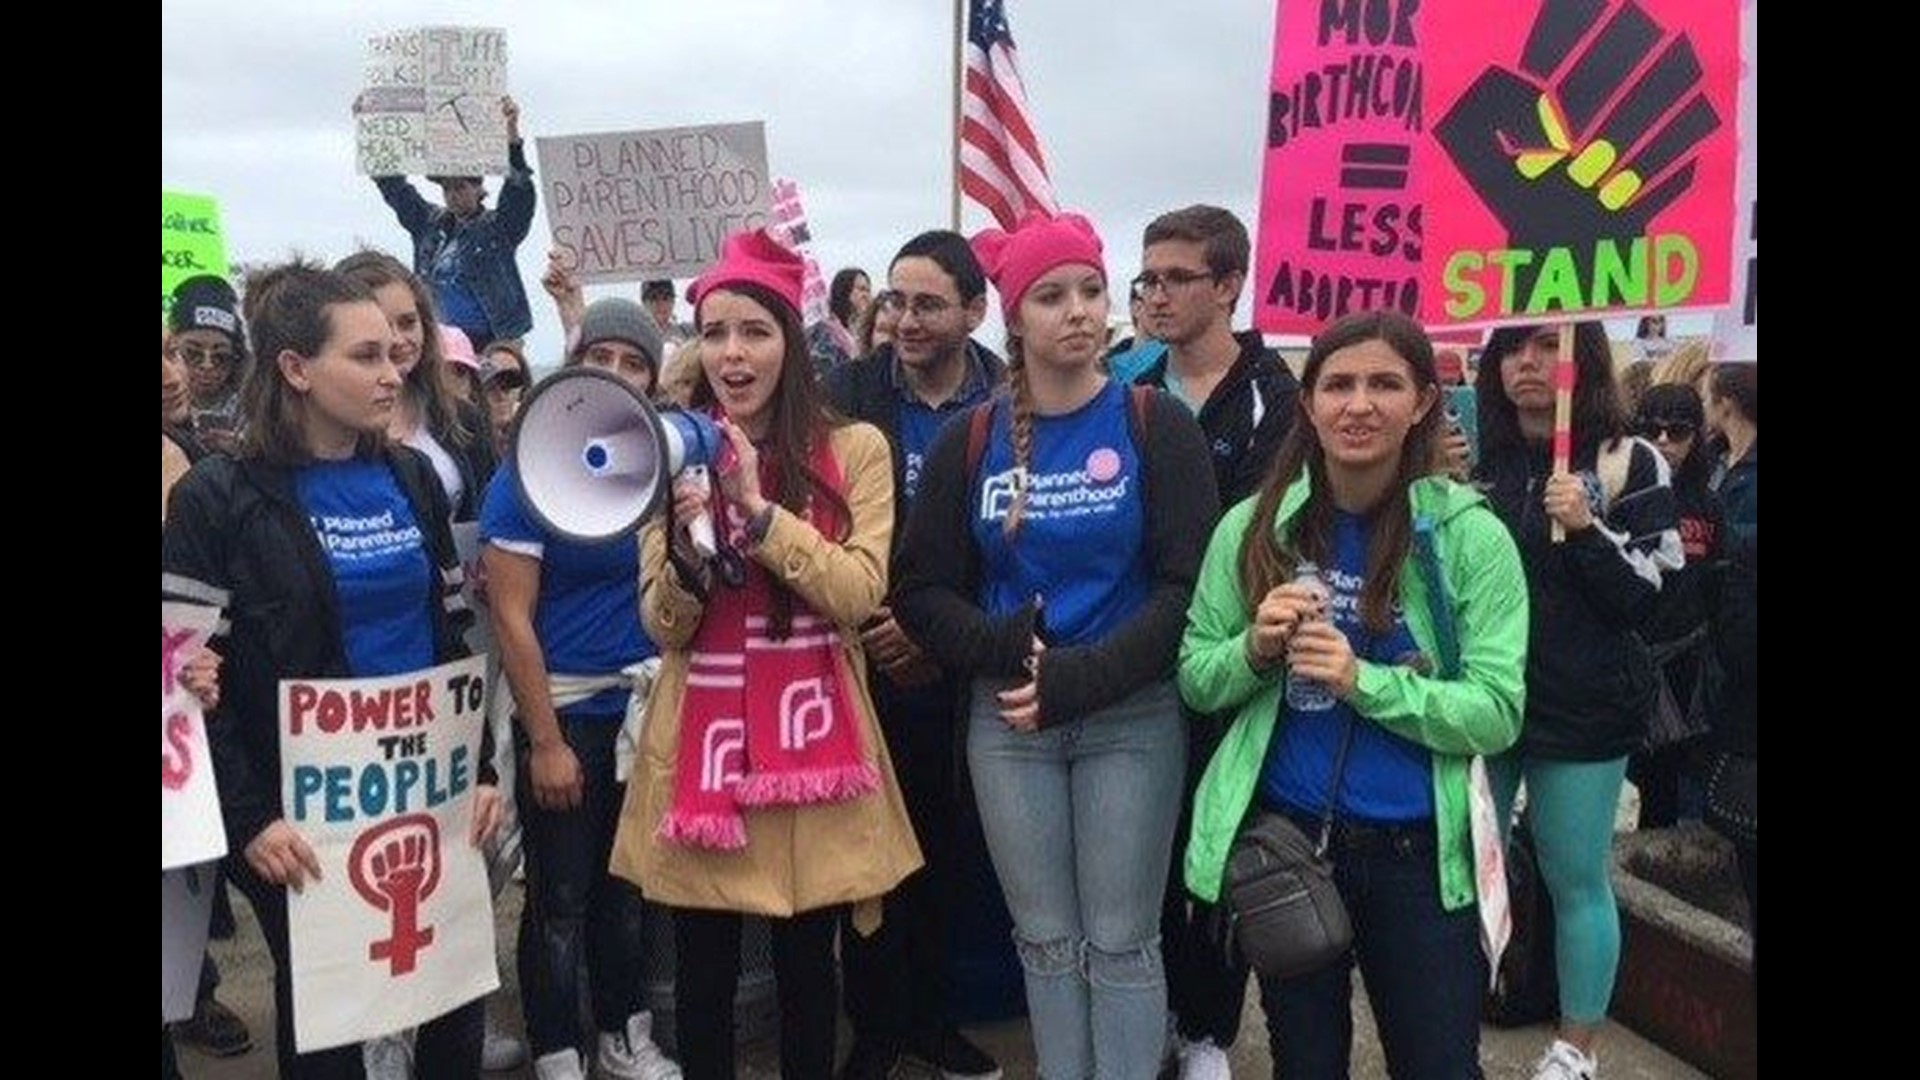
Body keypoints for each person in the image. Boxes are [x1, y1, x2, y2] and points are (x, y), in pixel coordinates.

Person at [893, 211, 1219, 1080]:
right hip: (1011, 727)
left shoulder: (1158, 425)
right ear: (1014, 317)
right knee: (1043, 941)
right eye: (1050, 295)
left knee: (1120, 943)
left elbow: (1188, 591)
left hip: (1131, 716)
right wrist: (1003, 642)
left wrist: (1086, 675)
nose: (1076, 310)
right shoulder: (974, 438)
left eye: (1090, 290)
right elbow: (919, 591)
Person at [162, 260, 504, 1078]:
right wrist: (251, 820)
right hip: (299, 823)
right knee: (329, 1028)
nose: (395, 373)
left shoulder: (411, 476)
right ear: (295, 369)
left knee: (452, 1004)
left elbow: (450, 636)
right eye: (367, 357)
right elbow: (186, 679)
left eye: (396, 353)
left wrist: (482, 768)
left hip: (430, 796)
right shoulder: (216, 497)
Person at [1181, 309, 1529, 1079]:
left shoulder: (1473, 538)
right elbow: (1197, 679)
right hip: (1287, 848)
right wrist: (1253, 649)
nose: (1358, 404)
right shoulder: (1253, 527)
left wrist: (1361, 682)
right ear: (1307, 405)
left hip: (1420, 863)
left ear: (1425, 402)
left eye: (1384, 383)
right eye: (1337, 384)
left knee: (1438, 1065)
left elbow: (1498, 713)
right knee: (1305, 1067)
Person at [608, 229, 923, 1080]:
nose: (733, 353)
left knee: (804, 965)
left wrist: (758, 510)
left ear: (793, 340)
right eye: (714, 332)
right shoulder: (669, 452)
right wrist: (689, 549)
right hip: (704, 745)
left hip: (816, 743)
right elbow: (661, 626)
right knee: (703, 967)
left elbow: (859, 593)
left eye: (755, 331)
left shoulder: (855, 449)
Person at [1472, 321, 1683, 1080]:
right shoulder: (1469, 458)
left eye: (1547, 347)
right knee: (1469, 871)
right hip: (1483, 702)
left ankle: (1576, 1048)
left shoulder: (1631, 457)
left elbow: (1654, 597)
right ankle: (1456, 1008)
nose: (1528, 363)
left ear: (1582, 359)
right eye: (1513, 349)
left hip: (1585, 707)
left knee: (1574, 876)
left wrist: (1587, 528)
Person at [482, 298, 681, 1080]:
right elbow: (511, 617)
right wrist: (546, 742)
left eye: (635, 365)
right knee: (559, 901)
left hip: (638, 710)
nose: (618, 375)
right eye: (602, 359)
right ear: (575, 367)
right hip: (565, 709)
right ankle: (557, 1048)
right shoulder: (523, 481)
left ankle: (624, 1034)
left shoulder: (654, 468)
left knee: (625, 891)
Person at [823, 230, 1005, 1080]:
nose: (905, 319)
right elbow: (820, 520)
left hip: (957, 668)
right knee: (863, 855)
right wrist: (875, 626)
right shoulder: (847, 392)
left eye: (928, 303)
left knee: (938, 851)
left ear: (974, 310)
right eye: (894, 300)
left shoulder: (1008, 399)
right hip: (856, 661)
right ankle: (876, 1026)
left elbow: (1013, 542)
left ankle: (931, 1019)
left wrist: (937, 636)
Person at [1126, 203, 1300, 1078]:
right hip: (1137, 658)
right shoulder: (1128, 384)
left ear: (1228, 285)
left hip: (1231, 661)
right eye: (1146, 277)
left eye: (1176, 278)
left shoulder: (1280, 397)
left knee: (1218, 846)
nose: (1155, 294)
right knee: (1146, 851)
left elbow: (1263, 529)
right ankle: (1154, 1010)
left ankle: (1207, 1032)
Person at [1626, 384, 1725, 828]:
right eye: (1652, 430)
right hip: (1629, 658)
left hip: (1687, 664)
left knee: (1670, 785)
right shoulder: (1622, 496)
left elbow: (1719, 585)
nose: (1663, 441)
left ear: (1696, 435)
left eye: (1678, 431)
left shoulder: (1708, 502)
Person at [336, 251, 497, 521]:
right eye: (383, 326)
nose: (398, 339)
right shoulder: (327, 426)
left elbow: (490, 513)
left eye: (408, 322)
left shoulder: (463, 419)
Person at [371, 96, 537, 348]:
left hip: (492, 341)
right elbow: (394, 187)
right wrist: (371, 128)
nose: (452, 194)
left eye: (459, 186)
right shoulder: (428, 224)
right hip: (439, 342)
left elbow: (519, 189)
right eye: (447, 188)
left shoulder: (499, 228)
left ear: (479, 188)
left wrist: (511, 134)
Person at [169, 275, 250, 455]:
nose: (207, 365)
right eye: (192, 353)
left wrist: (249, 455)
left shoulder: (258, 411)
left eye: (221, 357)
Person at [1704, 363, 1756, 550]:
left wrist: (1717, 535)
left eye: (1707, 398)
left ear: (1726, 404)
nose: (1704, 405)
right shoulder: (1709, 458)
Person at [479, 340, 531, 460]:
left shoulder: (535, 437)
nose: (502, 392)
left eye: (513, 380)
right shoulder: (471, 443)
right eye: (493, 381)